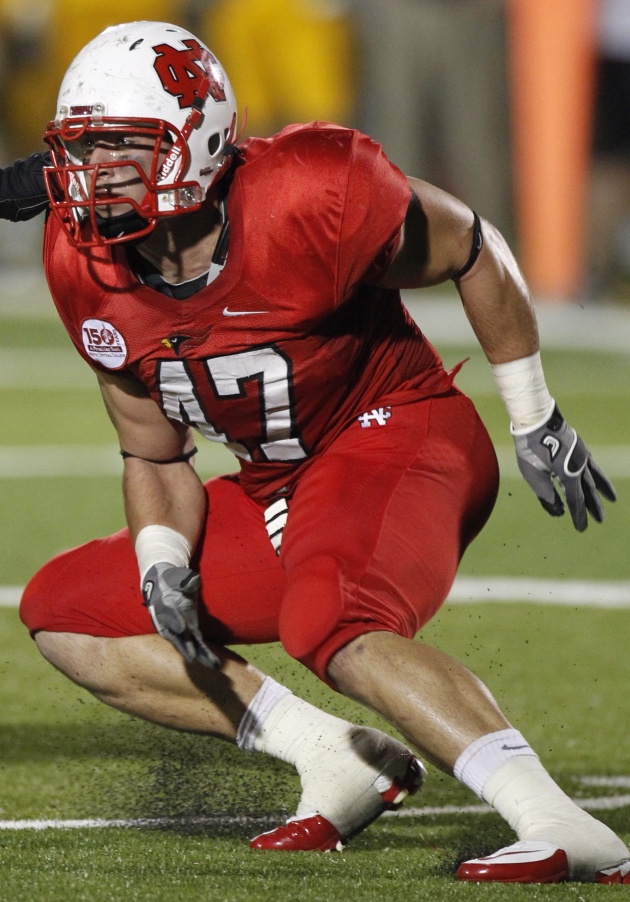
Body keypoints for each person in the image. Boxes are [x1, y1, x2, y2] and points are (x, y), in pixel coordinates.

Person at [6, 20, 629, 883]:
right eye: (82, 147)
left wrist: (535, 415)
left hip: (401, 431)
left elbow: (472, 246)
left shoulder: (307, 193)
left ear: (197, 140)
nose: (91, 173)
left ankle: (558, 821)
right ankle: (341, 757)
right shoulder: (84, 263)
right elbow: (153, 455)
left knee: (328, 617)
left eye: (122, 145)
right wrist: (159, 561)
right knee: (68, 609)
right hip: (279, 481)